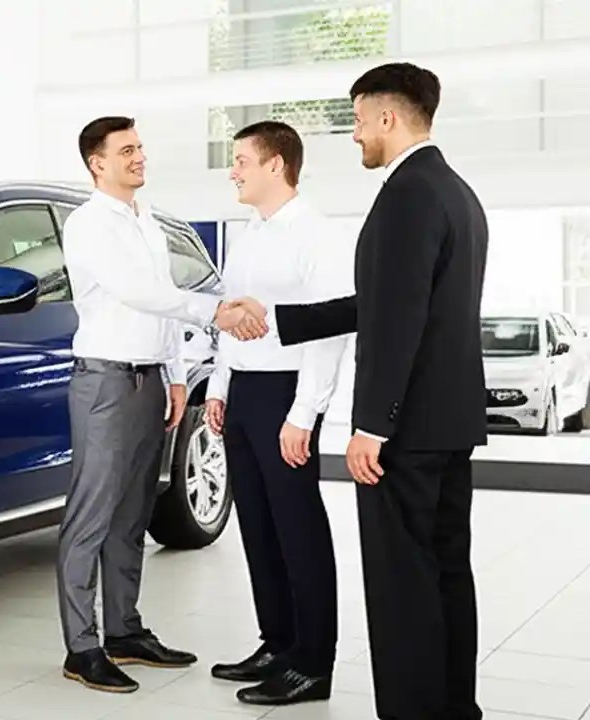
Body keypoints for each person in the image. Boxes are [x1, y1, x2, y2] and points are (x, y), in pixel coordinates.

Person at [267, 63, 488, 720]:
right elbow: (395, 301)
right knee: (447, 572)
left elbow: (400, 319)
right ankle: (453, 708)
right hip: (448, 423)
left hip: (408, 430)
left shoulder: (406, 194)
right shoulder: (454, 191)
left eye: (360, 122)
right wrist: (291, 320)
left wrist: (374, 425)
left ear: (389, 117)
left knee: (401, 585)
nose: (357, 135)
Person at [56, 115, 268, 694]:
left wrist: (175, 375)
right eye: (127, 150)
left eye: (141, 147)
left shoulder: (146, 221)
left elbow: (159, 306)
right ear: (97, 162)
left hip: (150, 380)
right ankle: (82, 646)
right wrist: (213, 312)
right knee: (91, 517)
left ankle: (124, 630)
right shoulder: (88, 224)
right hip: (103, 382)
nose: (139, 157)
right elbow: (138, 292)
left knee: (132, 516)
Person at [203, 121, 353, 706]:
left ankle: (313, 663)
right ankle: (278, 642)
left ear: (276, 165)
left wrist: (304, 414)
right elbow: (232, 317)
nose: (233, 170)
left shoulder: (317, 235)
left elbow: (330, 332)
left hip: (288, 394)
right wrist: (219, 384)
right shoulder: (247, 233)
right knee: (258, 528)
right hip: (244, 391)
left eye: (242, 160)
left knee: (299, 531)